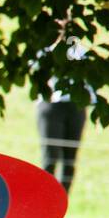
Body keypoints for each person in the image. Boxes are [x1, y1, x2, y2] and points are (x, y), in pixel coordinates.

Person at [33, 31, 94, 194]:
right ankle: (44, 198)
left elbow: (91, 78)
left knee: (70, 159)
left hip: (75, 106)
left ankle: (62, 201)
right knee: (50, 156)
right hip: (51, 105)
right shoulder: (45, 48)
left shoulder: (80, 50)